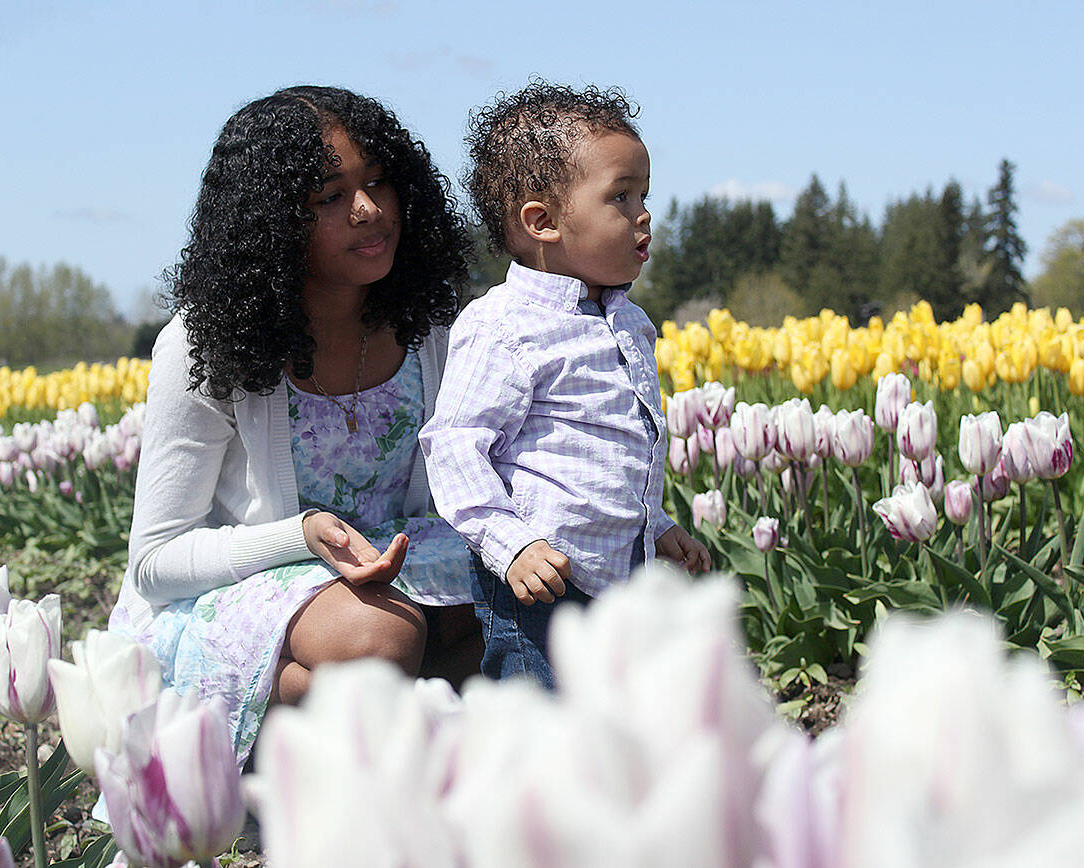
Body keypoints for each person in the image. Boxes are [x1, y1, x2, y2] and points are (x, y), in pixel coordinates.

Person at [109, 86, 481, 767]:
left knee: (511, 604)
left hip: (397, 570)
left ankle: (398, 784)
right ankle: (228, 758)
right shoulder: (205, 348)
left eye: (376, 183)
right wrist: (302, 536)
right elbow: (156, 562)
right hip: (246, 593)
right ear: (272, 221)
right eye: (330, 197)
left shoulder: (430, 329)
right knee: (379, 636)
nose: (369, 211)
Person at [419, 82, 711, 689]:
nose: (644, 214)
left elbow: (623, 452)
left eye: (644, 194)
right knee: (538, 727)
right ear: (543, 221)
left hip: (623, 580)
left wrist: (657, 526)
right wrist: (510, 545)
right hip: (539, 584)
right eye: (621, 197)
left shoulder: (631, 322)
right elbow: (453, 445)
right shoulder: (502, 326)